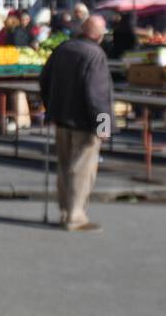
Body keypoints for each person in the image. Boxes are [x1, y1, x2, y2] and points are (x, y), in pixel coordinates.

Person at [39, 15, 112, 232]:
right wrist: (103, 125)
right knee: (82, 168)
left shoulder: (63, 48)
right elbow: (98, 95)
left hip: (62, 117)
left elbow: (44, 79)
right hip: (84, 121)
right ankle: (75, 215)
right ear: (98, 36)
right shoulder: (95, 54)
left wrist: (51, 107)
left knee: (64, 166)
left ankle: (65, 210)